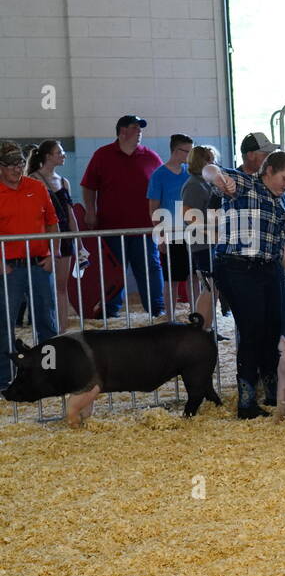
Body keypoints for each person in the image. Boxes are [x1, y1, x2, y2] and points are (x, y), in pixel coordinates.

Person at [203, 151, 285, 418]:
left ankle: (274, 393)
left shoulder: (283, 199)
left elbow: (278, 241)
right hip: (237, 267)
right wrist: (220, 181)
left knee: (274, 330)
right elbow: (209, 169)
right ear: (268, 170)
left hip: (268, 268)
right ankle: (246, 402)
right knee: (252, 332)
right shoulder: (244, 184)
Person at [80, 114, 165, 318]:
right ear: (123, 131)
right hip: (111, 226)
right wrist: (90, 211)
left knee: (150, 267)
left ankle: (157, 308)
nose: (140, 132)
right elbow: (89, 185)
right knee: (113, 270)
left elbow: (161, 187)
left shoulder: (151, 157)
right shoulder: (102, 155)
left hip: (144, 226)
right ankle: (110, 310)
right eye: (136, 128)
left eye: (140, 129)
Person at [0, 141, 60, 391]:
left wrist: (53, 254)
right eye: (11, 164)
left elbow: (52, 223)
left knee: (46, 321)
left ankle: (52, 375)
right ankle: (5, 379)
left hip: (39, 265)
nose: (17, 168)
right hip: (8, 269)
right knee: (5, 323)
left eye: (20, 162)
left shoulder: (37, 187)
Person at [25, 140, 79, 332]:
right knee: (45, 288)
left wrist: (79, 242)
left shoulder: (64, 181)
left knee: (61, 287)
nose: (63, 155)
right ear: (48, 156)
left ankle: (62, 329)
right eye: (59, 152)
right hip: (44, 238)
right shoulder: (33, 180)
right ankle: (48, 328)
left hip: (64, 237)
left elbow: (70, 213)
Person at [146, 133, 195, 319]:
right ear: (176, 151)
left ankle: (196, 315)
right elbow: (153, 207)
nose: (190, 156)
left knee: (194, 277)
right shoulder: (159, 175)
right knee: (171, 279)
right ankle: (170, 318)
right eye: (187, 152)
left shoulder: (190, 173)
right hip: (171, 233)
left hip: (191, 232)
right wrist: (159, 237)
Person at [179, 144, 220, 331]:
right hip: (202, 244)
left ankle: (207, 327)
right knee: (209, 287)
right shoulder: (194, 185)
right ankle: (201, 329)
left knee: (212, 288)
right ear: (202, 162)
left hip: (207, 242)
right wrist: (212, 233)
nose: (214, 163)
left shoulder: (204, 183)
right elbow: (189, 215)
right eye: (210, 160)